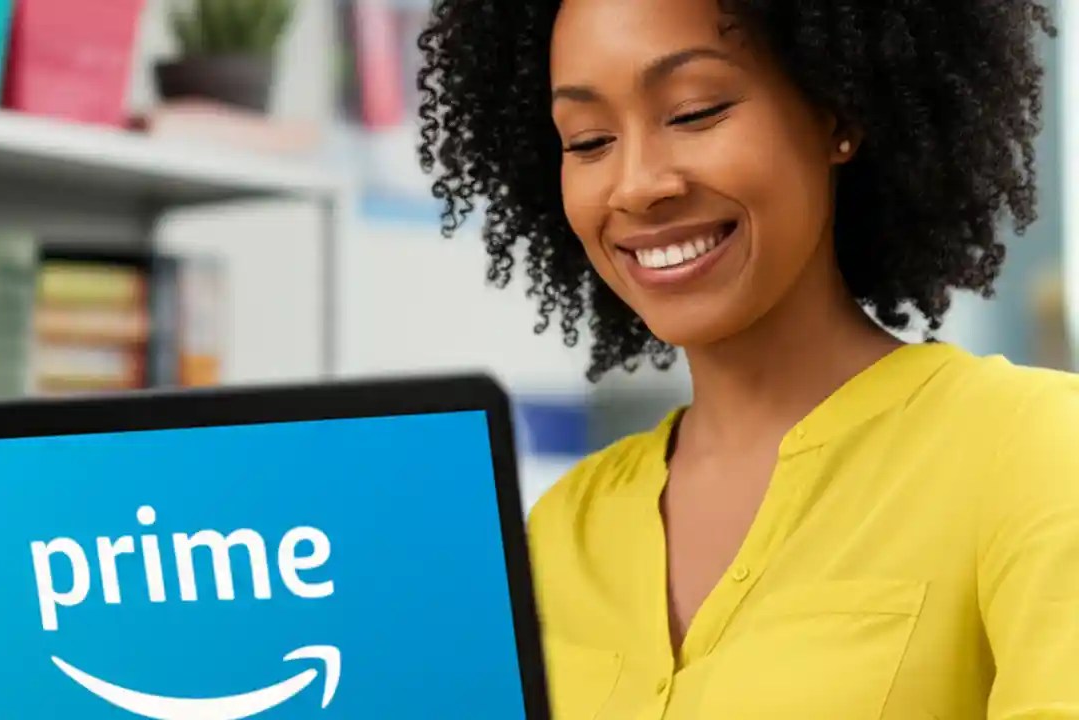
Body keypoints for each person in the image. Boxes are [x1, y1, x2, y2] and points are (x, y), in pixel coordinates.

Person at [417, 1, 1078, 717]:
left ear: (838, 114)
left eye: (695, 112)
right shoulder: (559, 532)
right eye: (588, 140)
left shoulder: (1031, 453)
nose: (638, 184)